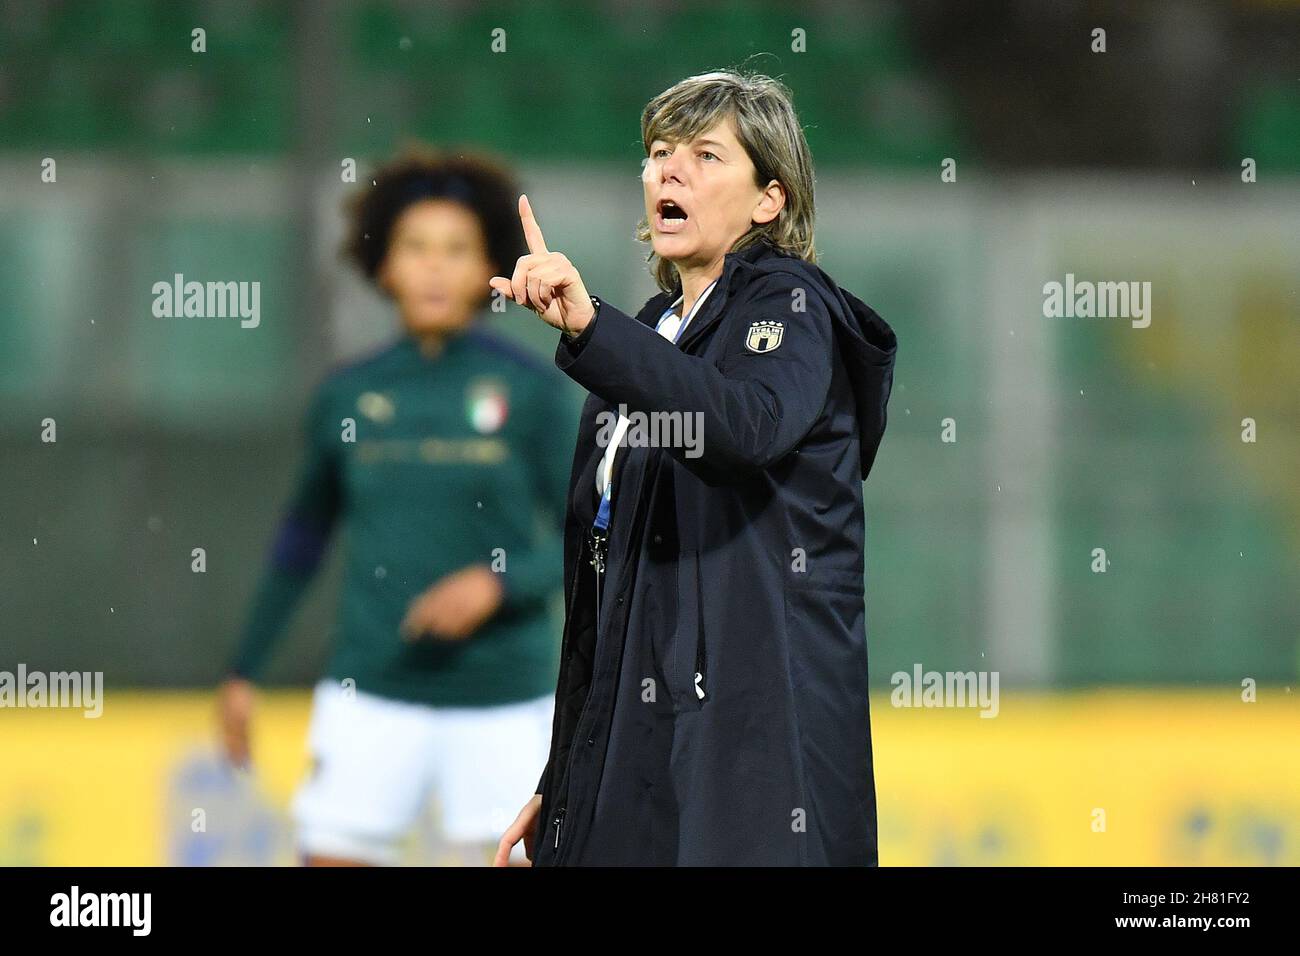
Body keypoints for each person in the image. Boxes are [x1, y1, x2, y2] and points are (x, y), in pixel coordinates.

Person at [493, 69, 898, 866]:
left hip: (753, 752)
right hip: (639, 746)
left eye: (706, 154)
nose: (668, 170)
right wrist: (567, 779)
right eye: (658, 152)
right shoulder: (649, 333)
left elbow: (741, 428)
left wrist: (591, 328)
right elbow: (602, 581)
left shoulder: (794, 308)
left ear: (769, 200)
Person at [216, 146, 575, 867]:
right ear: (384, 266)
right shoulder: (348, 395)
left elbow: (590, 535)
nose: (436, 267)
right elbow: (301, 540)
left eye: (456, 249)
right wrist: (243, 670)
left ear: (489, 269)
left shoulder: (533, 390)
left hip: (505, 695)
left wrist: (497, 584)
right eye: (416, 247)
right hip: (371, 688)